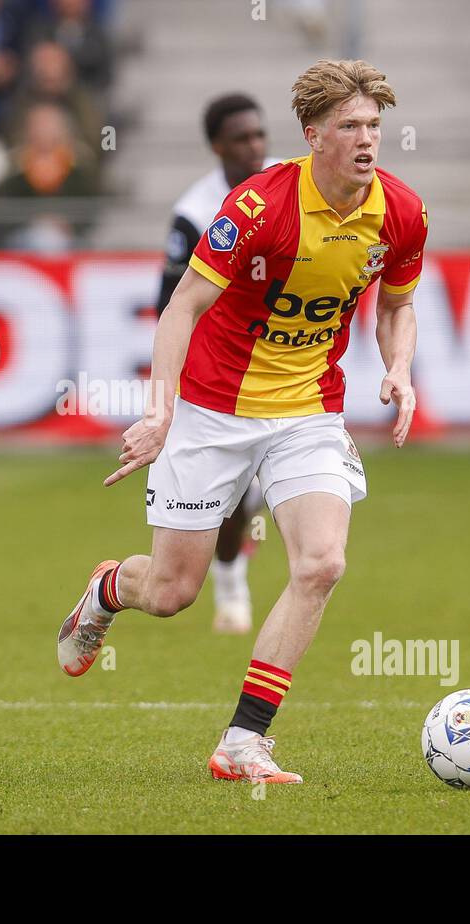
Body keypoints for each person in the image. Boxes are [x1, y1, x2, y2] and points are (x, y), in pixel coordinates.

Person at [56, 59, 426, 783]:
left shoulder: (403, 211)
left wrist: (399, 368)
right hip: (211, 408)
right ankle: (106, 590)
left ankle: (243, 741)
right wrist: (159, 415)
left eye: (374, 126)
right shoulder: (258, 206)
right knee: (171, 592)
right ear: (313, 135)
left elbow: (396, 305)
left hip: (308, 409)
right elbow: (181, 306)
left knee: (321, 563)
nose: (366, 140)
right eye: (349, 126)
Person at [157, 92, 280, 634]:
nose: (254, 146)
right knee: (229, 497)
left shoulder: (290, 185)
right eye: (241, 138)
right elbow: (173, 302)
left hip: (281, 363)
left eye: (259, 135)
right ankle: (228, 581)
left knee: (256, 492)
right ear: (217, 146)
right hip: (218, 372)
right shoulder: (194, 211)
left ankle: (235, 581)